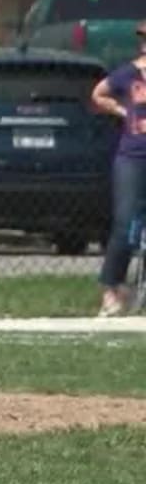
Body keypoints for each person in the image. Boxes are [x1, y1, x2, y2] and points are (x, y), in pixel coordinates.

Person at [89, 23, 146, 317]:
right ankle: (112, 288)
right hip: (133, 157)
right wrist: (122, 111)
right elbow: (99, 94)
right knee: (125, 224)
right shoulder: (128, 74)